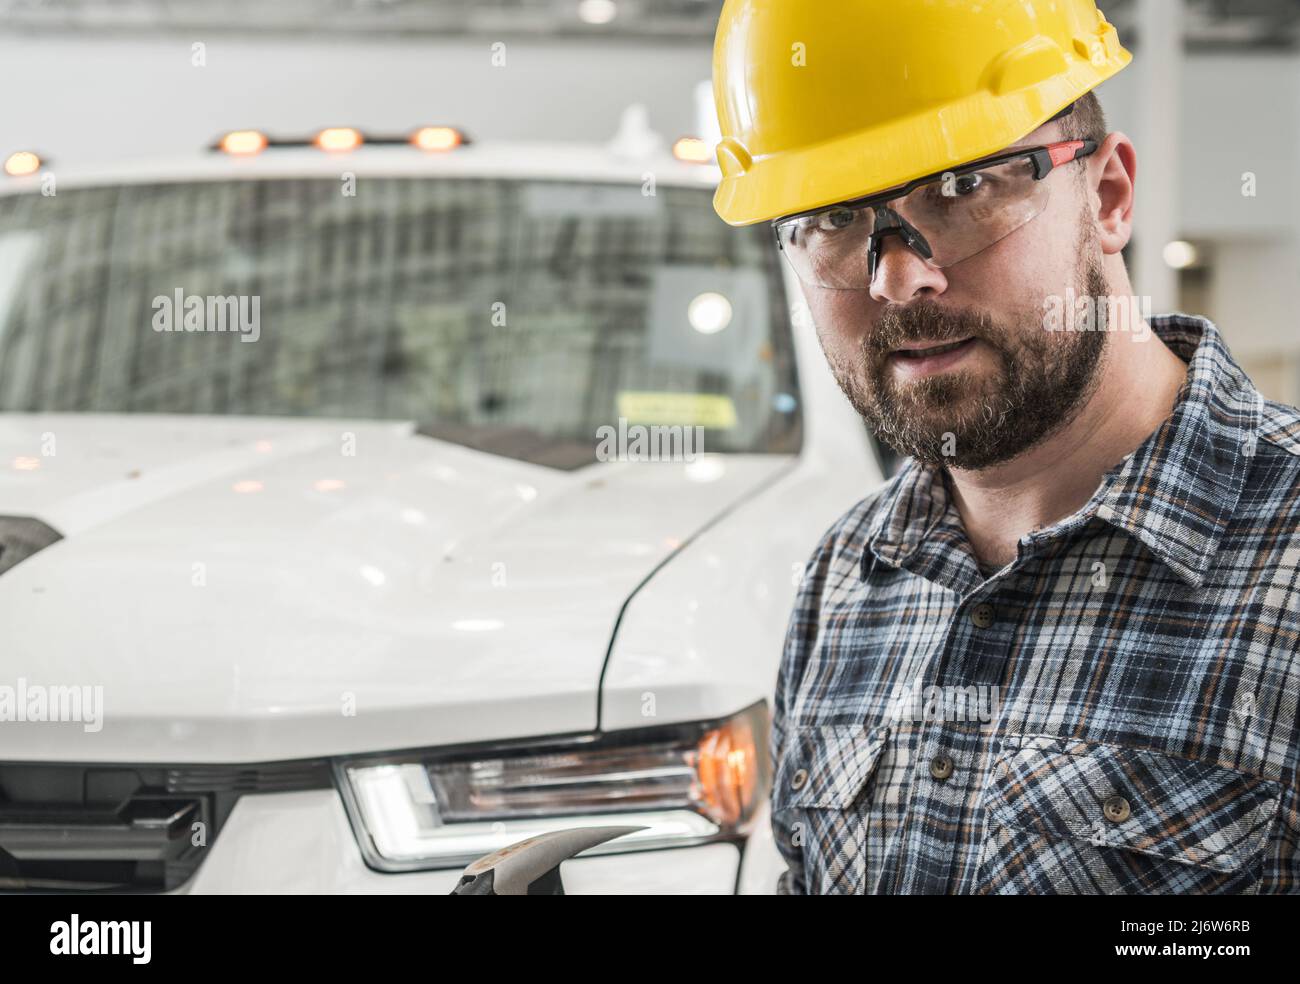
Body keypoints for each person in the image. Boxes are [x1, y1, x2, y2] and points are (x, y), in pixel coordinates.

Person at [711, 0, 1300, 893]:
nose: (900, 277)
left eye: (962, 188)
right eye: (831, 219)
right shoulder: (846, 578)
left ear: (1107, 197)